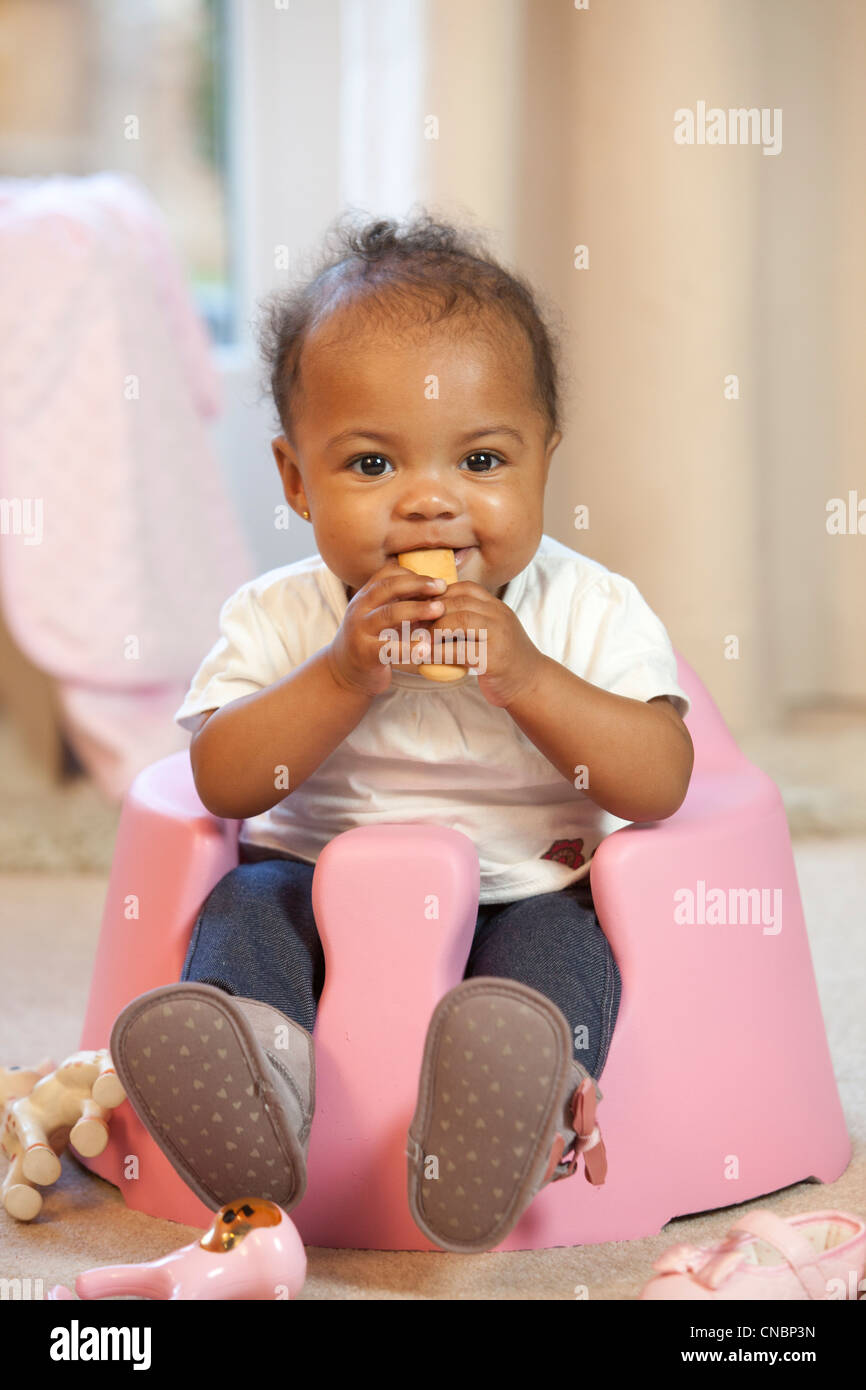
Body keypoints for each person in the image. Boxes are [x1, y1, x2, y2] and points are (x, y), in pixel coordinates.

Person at [110, 211, 694, 1254]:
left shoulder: (588, 606)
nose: (429, 505)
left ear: (543, 462)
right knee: (244, 904)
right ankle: (255, 1080)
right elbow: (223, 781)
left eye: (478, 459)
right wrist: (339, 673)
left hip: (528, 881)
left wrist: (525, 674)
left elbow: (656, 782)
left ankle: (520, 1095)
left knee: (560, 951)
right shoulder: (278, 614)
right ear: (296, 481)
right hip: (308, 878)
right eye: (372, 467)